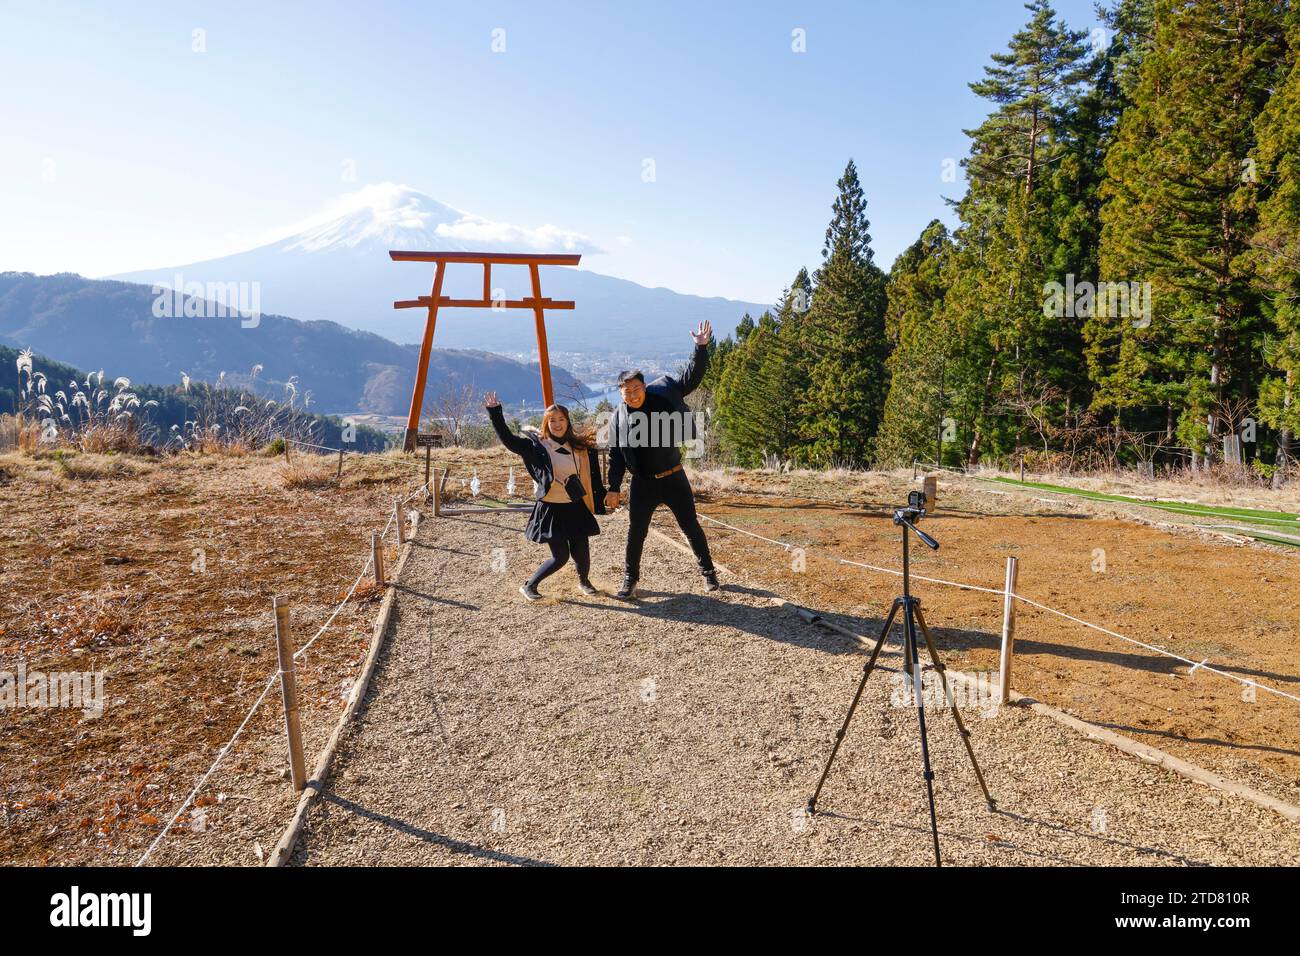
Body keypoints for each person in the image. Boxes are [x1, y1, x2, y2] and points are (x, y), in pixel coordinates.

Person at [604, 321, 718, 599]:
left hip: (674, 476)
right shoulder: (618, 417)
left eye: (636, 389)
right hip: (643, 483)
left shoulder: (663, 393)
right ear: (620, 393)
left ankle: (709, 573)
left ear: (644, 386)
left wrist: (700, 348)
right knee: (636, 532)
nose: (632, 395)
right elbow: (616, 455)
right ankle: (629, 580)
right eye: (626, 392)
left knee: (690, 525)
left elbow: (691, 377)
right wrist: (614, 487)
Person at [485, 391, 607, 601]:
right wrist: (496, 413)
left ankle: (584, 582)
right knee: (560, 557)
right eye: (552, 420)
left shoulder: (579, 447)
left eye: (561, 419)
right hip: (551, 508)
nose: (557, 424)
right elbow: (509, 440)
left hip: (575, 505)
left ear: (568, 422)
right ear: (546, 423)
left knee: (582, 550)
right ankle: (530, 585)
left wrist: (604, 496)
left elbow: (594, 475)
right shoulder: (537, 447)